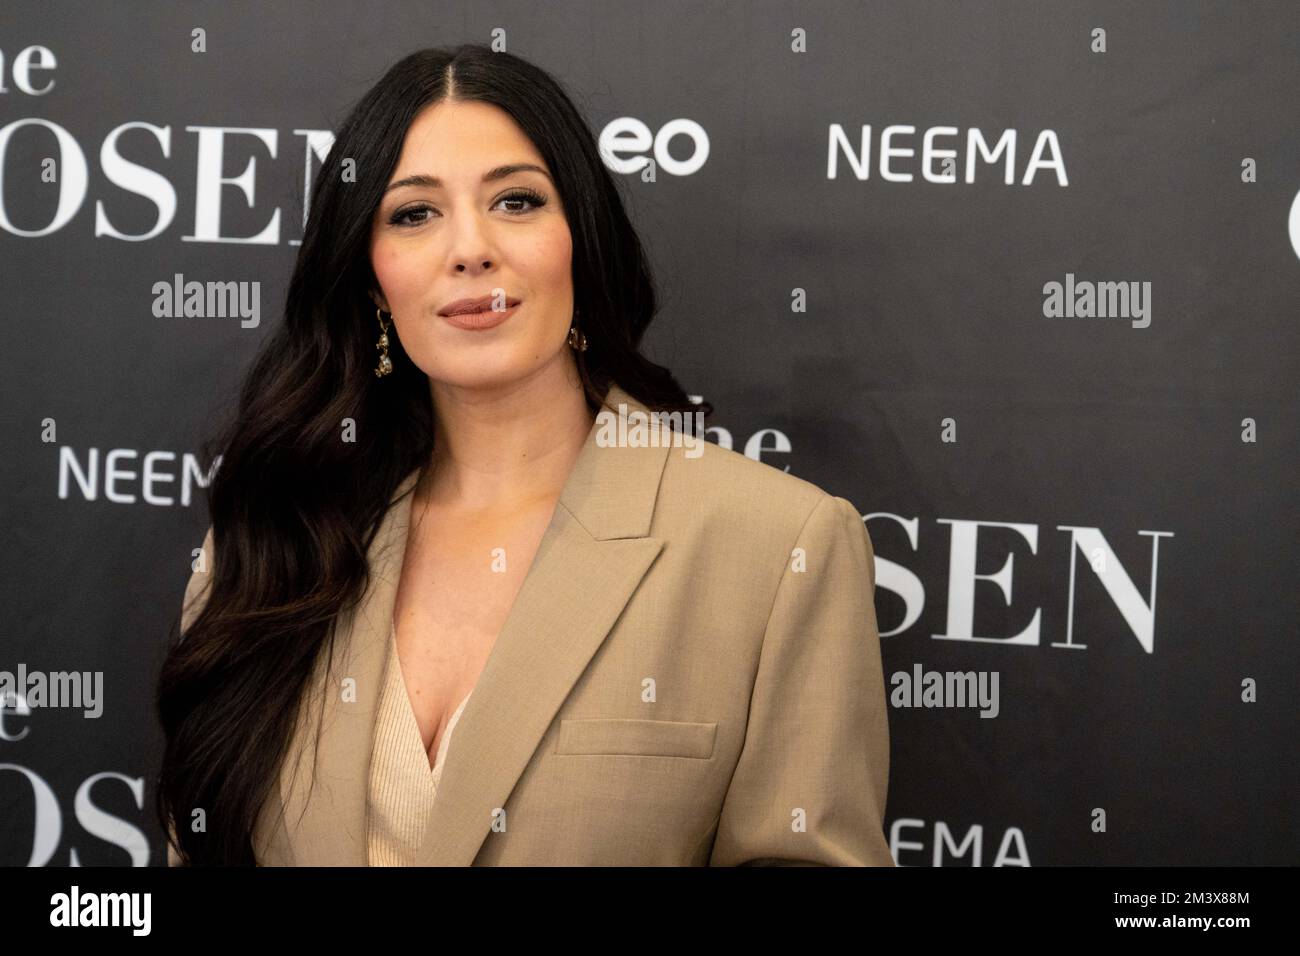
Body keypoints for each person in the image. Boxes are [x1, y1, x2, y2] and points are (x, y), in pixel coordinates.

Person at [157, 44, 893, 867]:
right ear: (371, 279)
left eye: (515, 200)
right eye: (414, 213)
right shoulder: (276, 533)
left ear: (581, 240)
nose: (470, 248)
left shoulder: (778, 545)